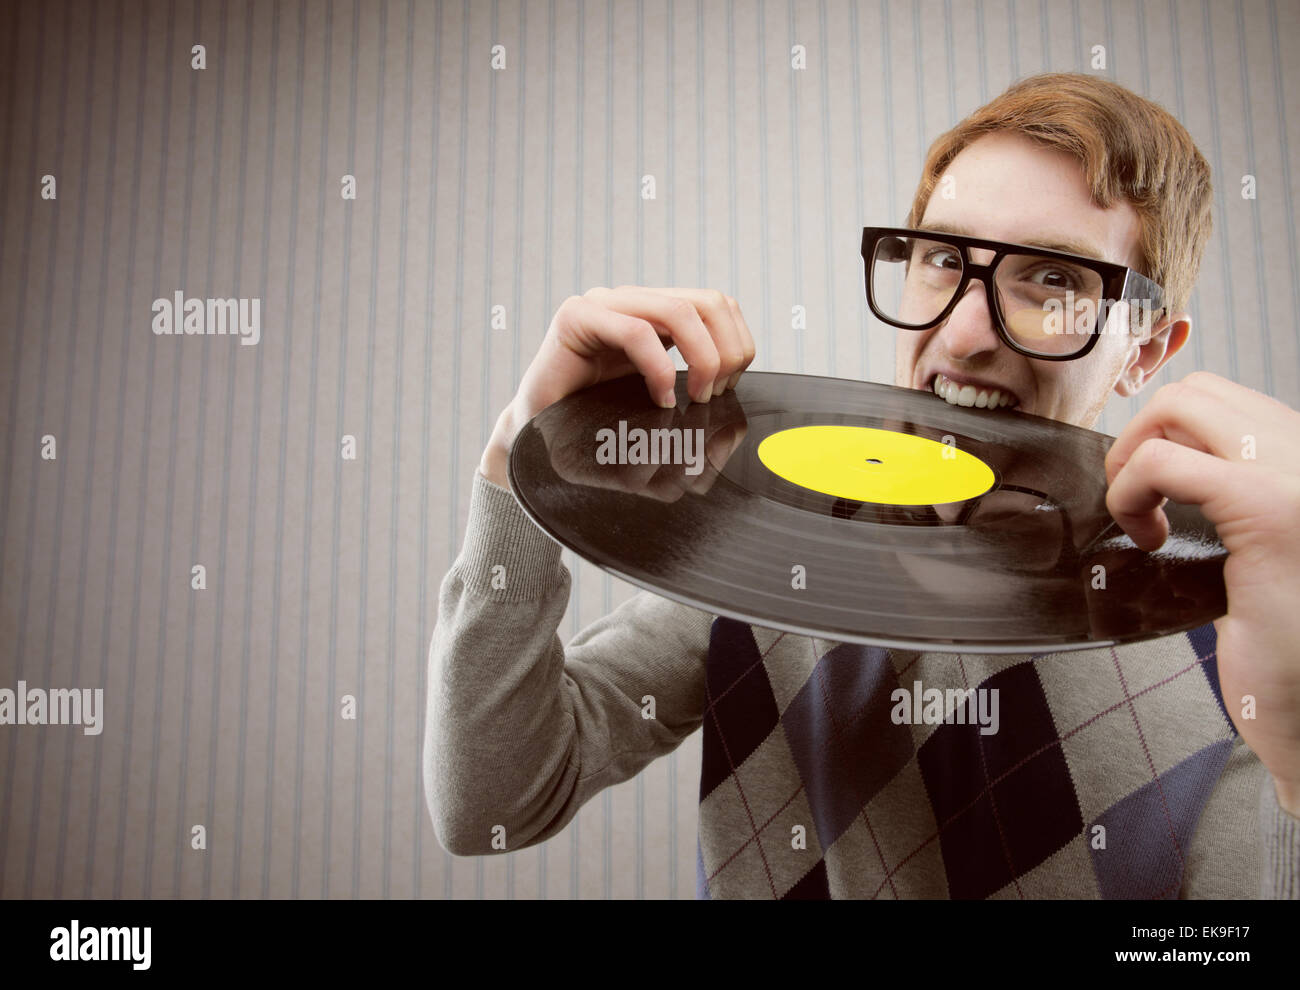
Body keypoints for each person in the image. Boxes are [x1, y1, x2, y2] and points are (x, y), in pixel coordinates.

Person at [424, 72, 1300, 898]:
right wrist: (518, 452)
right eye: (943, 261)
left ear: (1143, 349)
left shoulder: (1243, 615)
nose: (960, 339)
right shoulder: (767, 544)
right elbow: (494, 805)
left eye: (1054, 280)